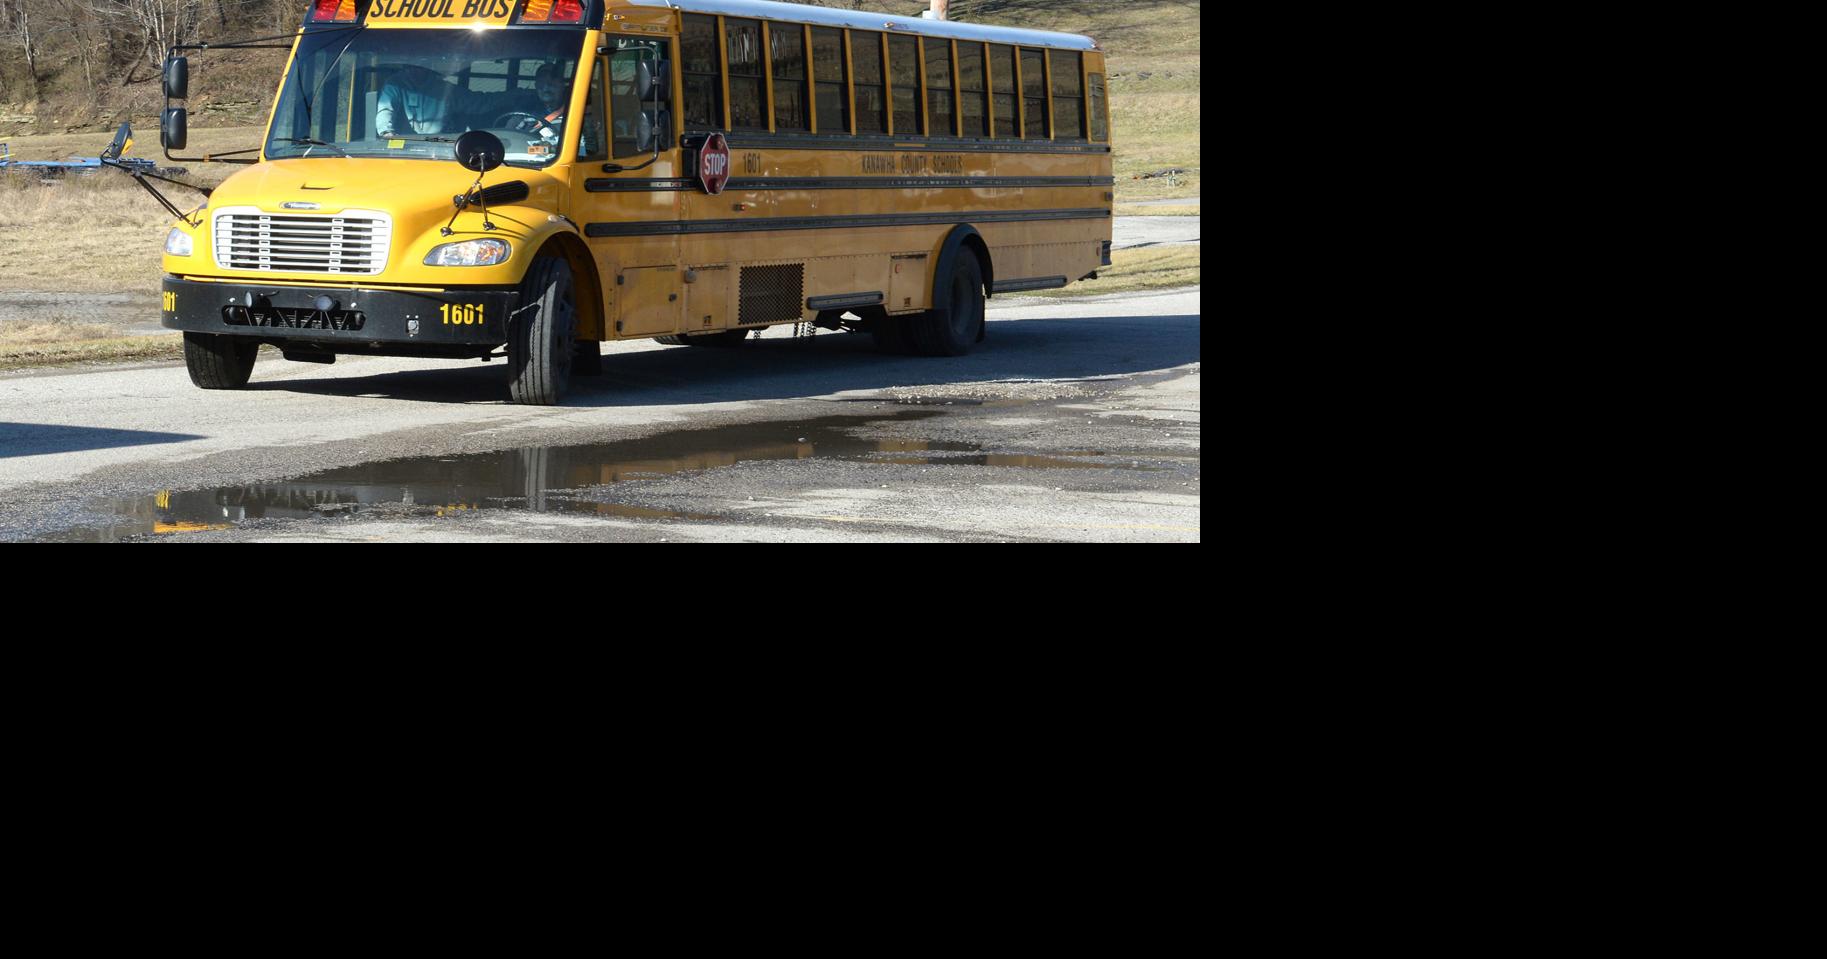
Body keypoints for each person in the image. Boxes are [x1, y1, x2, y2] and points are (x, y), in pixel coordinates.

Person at [376, 65, 457, 137]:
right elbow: (385, 109)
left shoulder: (445, 87)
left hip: (439, 144)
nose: (413, 71)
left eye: (419, 68)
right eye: (409, 67)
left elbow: (468, 103)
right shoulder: (394, 84)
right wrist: (386, 132)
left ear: (428, 68)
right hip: (405, 145)